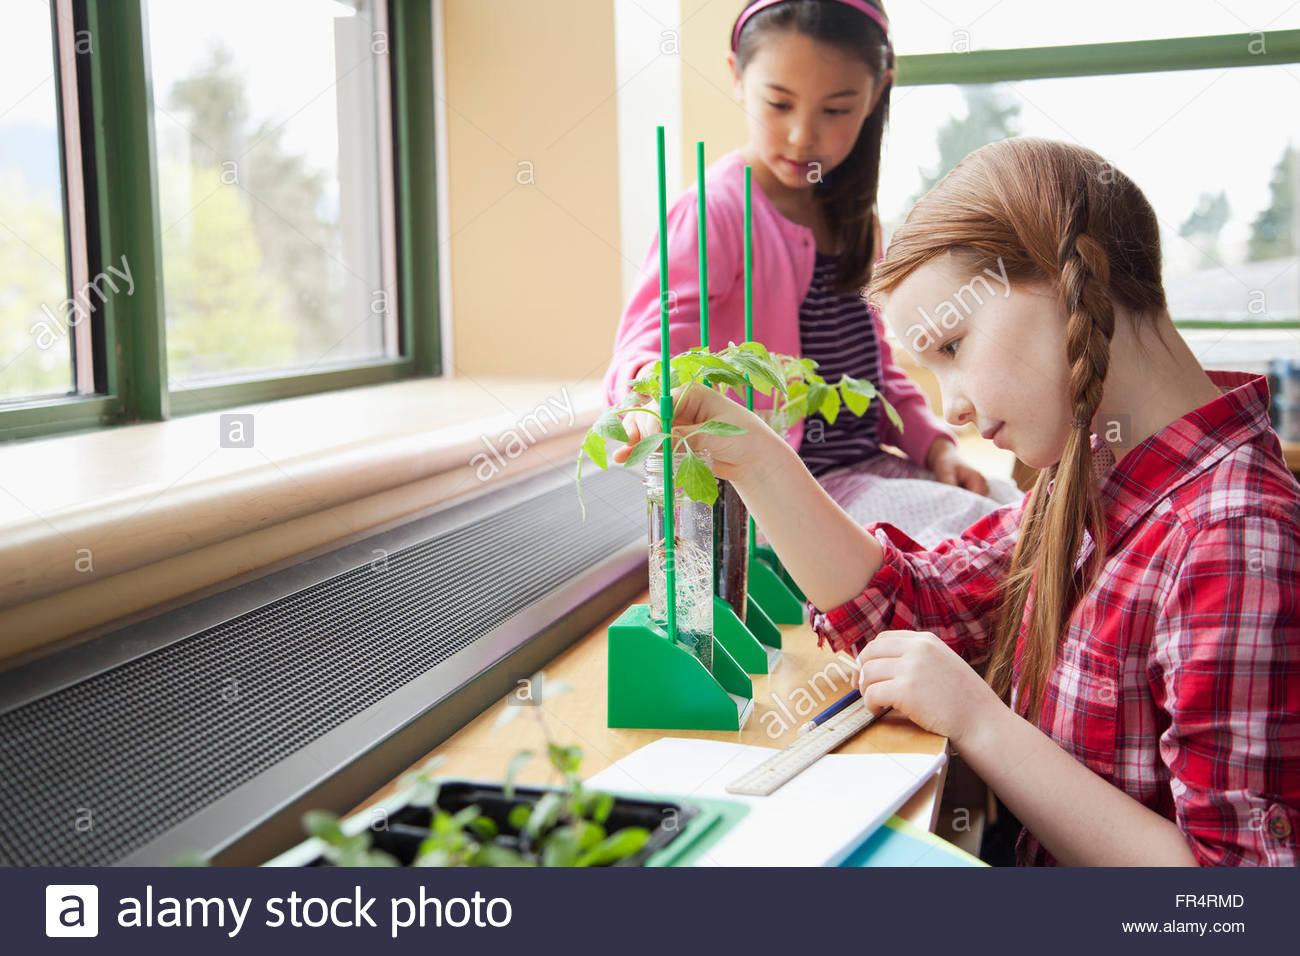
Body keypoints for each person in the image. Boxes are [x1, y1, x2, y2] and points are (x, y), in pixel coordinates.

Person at [614, 138, 1300, 866]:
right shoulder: (1088, 477)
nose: (953, 409)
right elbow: (918, 604)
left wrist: (981, 724)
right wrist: (757, 459)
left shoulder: (1235, 539)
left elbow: (1235, 902)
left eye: (953, 346)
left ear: (1070, 282)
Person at [602, 0, 1020, 546]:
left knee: (1020, 510)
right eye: (778, 103)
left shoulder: (853, 218)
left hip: (866, 469)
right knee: (990, 539)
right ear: (736, 76)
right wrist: (642, 402)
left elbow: (874, 371)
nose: (803, 136)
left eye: (837, 109)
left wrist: (935, 445)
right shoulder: (715, 211)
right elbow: (648, 347)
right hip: (789, 495)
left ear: (876, 93)